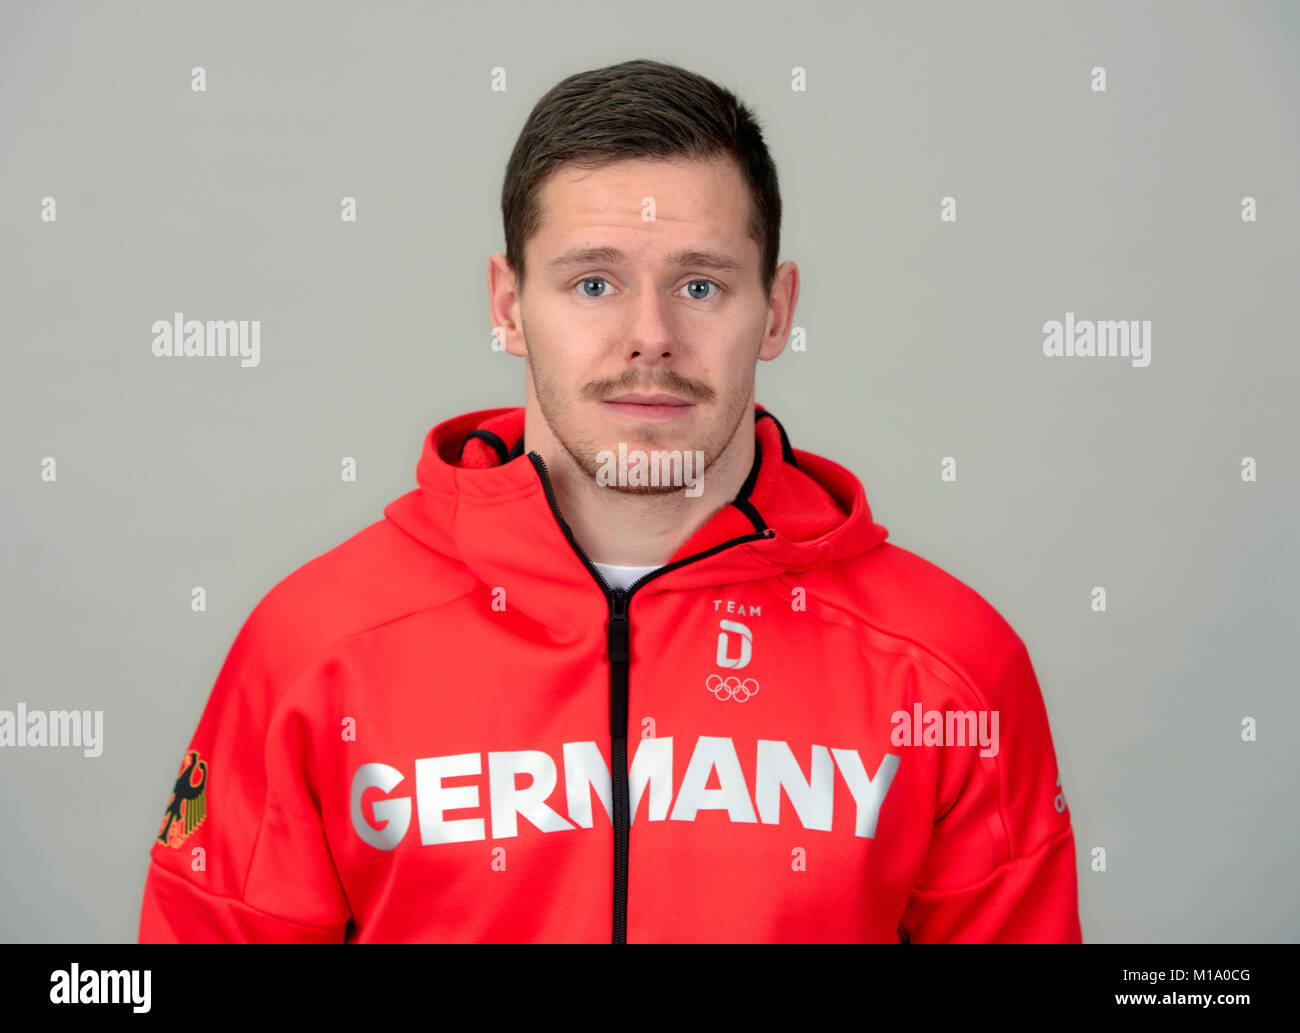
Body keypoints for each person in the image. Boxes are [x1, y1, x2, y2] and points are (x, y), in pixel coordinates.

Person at [138, 58, 1082, 943]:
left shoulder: (950, 664)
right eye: (594, 282)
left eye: (700, 285)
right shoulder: (315, 648)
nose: (650, 336)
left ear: (779, 309)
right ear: (508, 307)